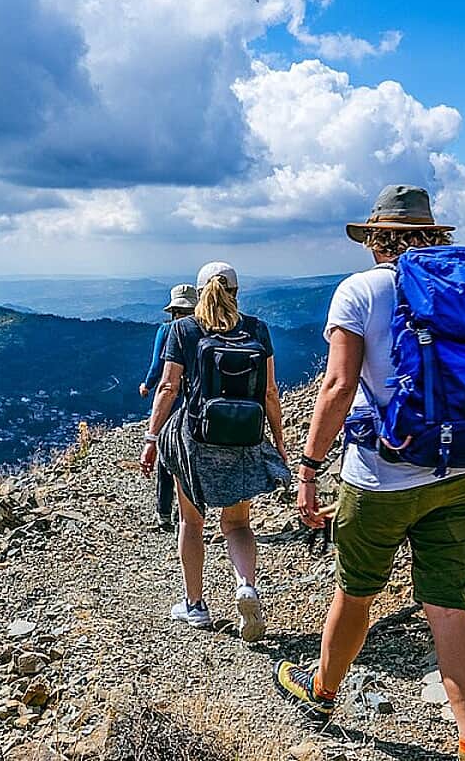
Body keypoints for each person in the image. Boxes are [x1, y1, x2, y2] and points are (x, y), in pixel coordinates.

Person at [273, 185, 465, 761]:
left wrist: (309, 467)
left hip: (383, 473)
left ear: (376, 237)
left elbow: (339, 386)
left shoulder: (361, 290)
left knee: (357, 590)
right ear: (432, 234)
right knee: (448, 604)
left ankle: (322, 694)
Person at [139, 262, 289, 643]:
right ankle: (245, 587)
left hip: (195, 440)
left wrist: (152, 437)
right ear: (237, 291)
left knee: (192, 522)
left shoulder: (183, 329)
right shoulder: (256, 329)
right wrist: (279, 445)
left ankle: (195, 605)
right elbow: (270, 393)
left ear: (200, 289)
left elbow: (169, 387)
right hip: (244, 439)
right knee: (238, 524)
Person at [140, 283, 198, 532]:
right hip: (196, 403)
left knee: (166, 457)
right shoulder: (203, 330)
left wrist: (146, 384)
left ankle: (165, 514)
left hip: (172, 402)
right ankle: (189, 511)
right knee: (191, 457)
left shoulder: (166, 330)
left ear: (173, 310)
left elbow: (158, 367)